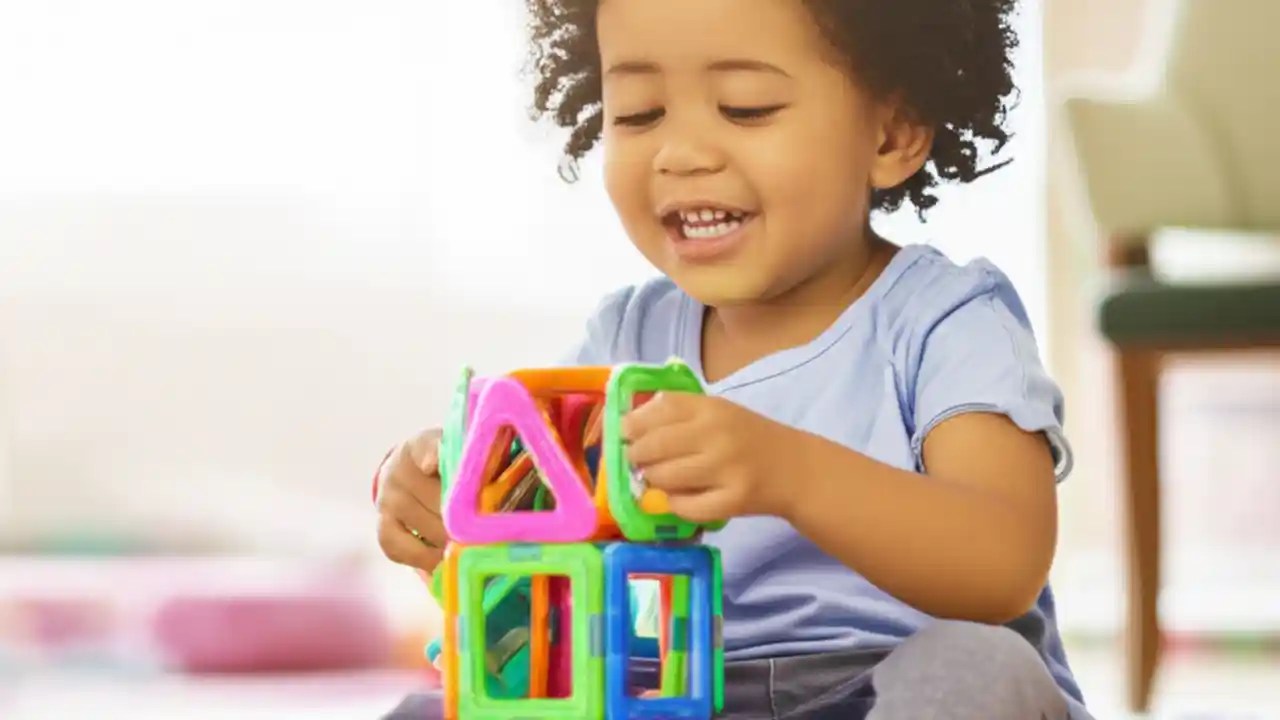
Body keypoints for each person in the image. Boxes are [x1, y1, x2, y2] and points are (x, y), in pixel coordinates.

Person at [373, 0, 1092, 717]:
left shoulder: (946, 320)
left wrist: (786, 471)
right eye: (639, 113)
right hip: (682, 699)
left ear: (892, 134)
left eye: (745, 108)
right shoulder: (627, 338)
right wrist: (448, 502)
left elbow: (1003, 564)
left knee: (977, 672)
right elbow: (540, 548)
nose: (680, 153)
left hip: (885, 693)